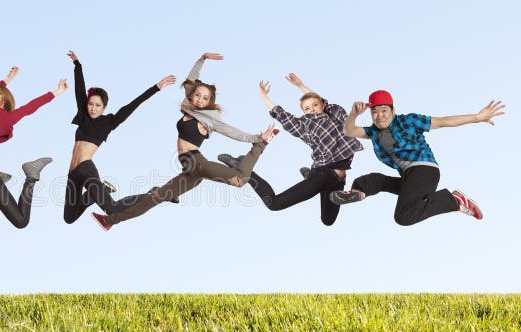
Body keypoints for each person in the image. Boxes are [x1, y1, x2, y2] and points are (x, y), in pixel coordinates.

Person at [91, 53, 278, 231]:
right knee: (154, 198)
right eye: (197, 95)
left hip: (198, 164)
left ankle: (261, 145)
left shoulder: (210, 119)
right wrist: (202, 59)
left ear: (210, 101)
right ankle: (109, 221)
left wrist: (257, 138)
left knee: (240, 180)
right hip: (189, 169)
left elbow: (232, 132)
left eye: (205, 98)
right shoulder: (188, 107)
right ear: (192, 95)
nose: (200, 99)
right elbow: (190, 81)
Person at [330, 90, 504, 225]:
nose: (379, 116)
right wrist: (354, 114)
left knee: (403, 216)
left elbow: (444, 121)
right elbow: (349, 131)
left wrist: (477, 117)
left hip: (424, 170)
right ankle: (358, 191)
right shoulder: (373, 132)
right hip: (409, 177)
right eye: (374, 112)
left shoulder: (409, 121)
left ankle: (453, 201)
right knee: (377, 180)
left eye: (384, 110)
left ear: (393, 110)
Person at [216, 74, 363, 225]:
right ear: (304, 113)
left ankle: (310, 176)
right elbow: (282, 115)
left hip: (337, 181)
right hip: (323, 174)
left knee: (328, 221)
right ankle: (245, 169)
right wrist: (263, 96)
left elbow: (318, 98)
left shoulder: (335, 114)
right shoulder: (305, 126)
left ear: (322, 105)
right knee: (274, 204)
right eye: (307, 108)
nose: (312, 109)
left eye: (315, 105)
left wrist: (300, 86)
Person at [63, 50, 176, 224]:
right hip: (73, 173)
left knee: (112, 208)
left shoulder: (109, 122)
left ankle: (154, 193)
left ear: (104, 107)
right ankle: (102, 190)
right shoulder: (83, 115)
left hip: (86, 169)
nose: (93, 108)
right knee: (69, 218)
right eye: (91, 104)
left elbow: (133, 104)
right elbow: (79, 90)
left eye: (98, 105)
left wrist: (156, 88)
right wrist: (77, 65)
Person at [0, 66, 67, 229]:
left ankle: (31, 175)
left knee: (21, 221)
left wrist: (56, 92)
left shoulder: (6, 118)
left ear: (4, 99)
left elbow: (30, 107)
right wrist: (8, 78)